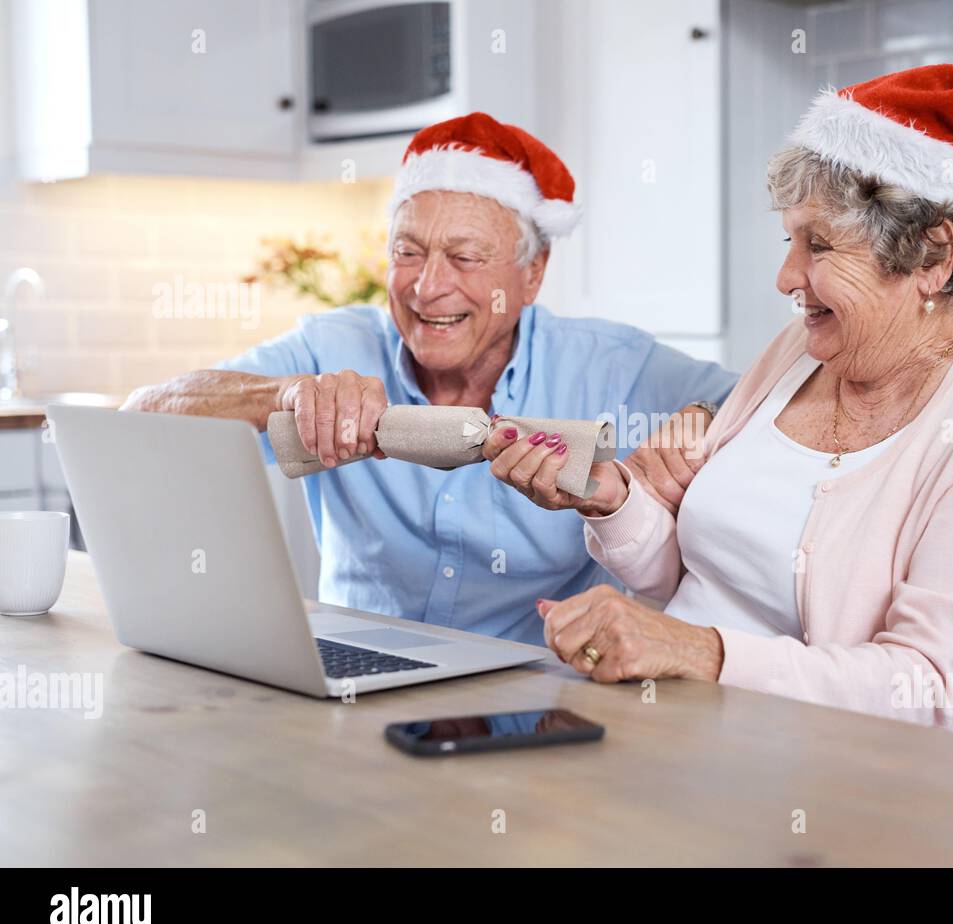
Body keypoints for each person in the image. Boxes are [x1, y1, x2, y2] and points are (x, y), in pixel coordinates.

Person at [485, 66, 953, 737]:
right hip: (676, 739)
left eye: (819, 244)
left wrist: (699, 652)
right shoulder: (801, 350)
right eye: (789, 239)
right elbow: (684, 574)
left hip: (842, 791)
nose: (785, 277)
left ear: (932, 254)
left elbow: (936, 685)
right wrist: (612, 498)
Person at [122, 112, 736, 646]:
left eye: (465, 258)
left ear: (533, 273)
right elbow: (143, 414)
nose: (426, 286)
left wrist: (702, 419)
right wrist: (284, 394)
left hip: (537, 695)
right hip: (358, 684)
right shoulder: (334, 344)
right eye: (407, 252)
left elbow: (772, 400)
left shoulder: (611, 365)